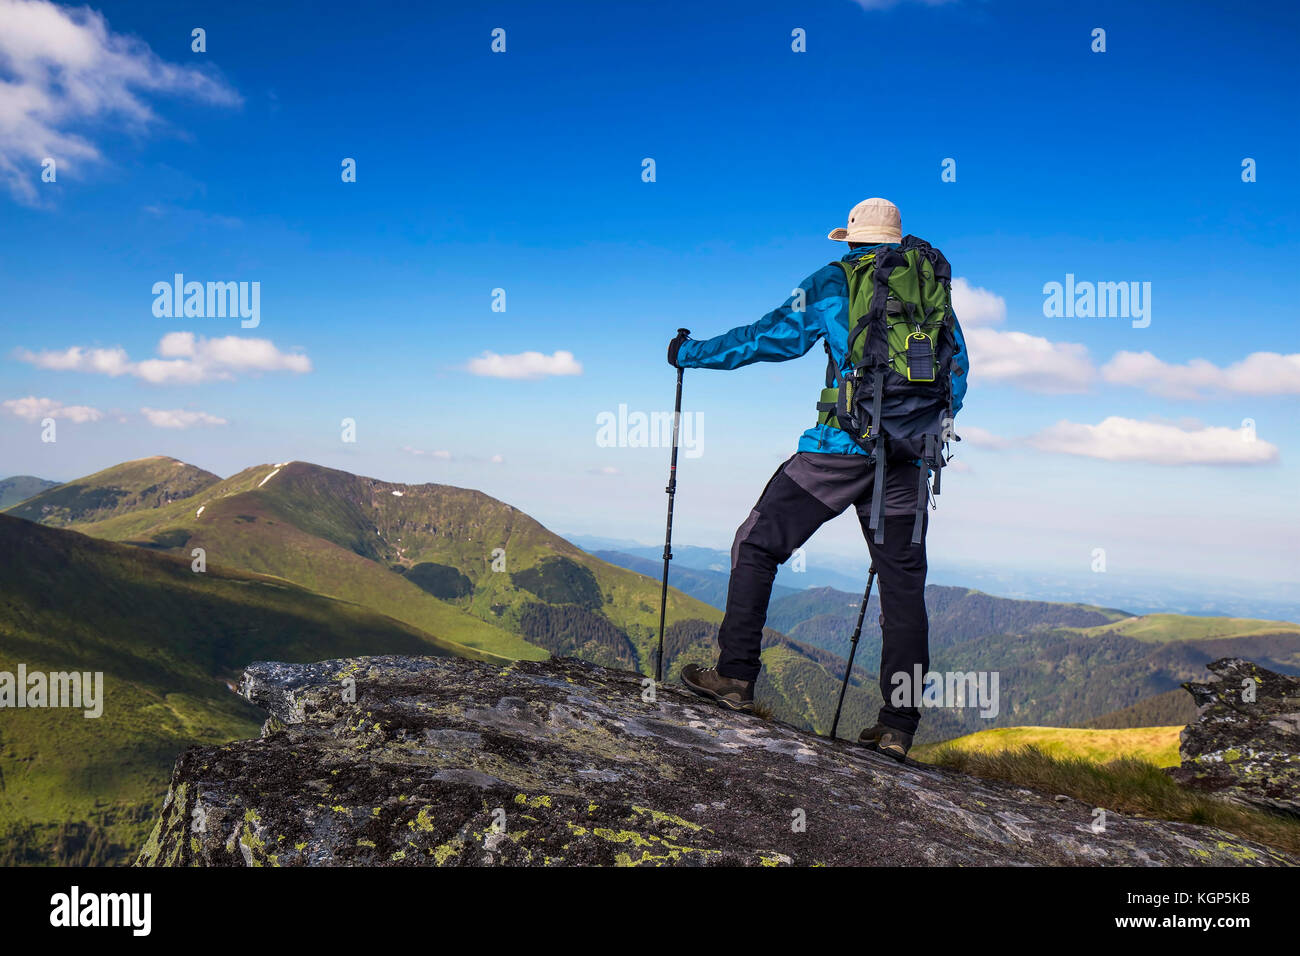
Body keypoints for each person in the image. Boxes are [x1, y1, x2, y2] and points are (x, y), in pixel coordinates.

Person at [670, 197, 969, 761]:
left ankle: (734, 678)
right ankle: (898, 728)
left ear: (851, 239)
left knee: (756, 543)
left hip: (837, 449)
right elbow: (958, 374)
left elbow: (767, 337)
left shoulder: (835, 282)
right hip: (906, 461)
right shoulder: (931, 291)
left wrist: (690, 353)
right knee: (903, 590)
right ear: (897, 239)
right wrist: (915, 434)